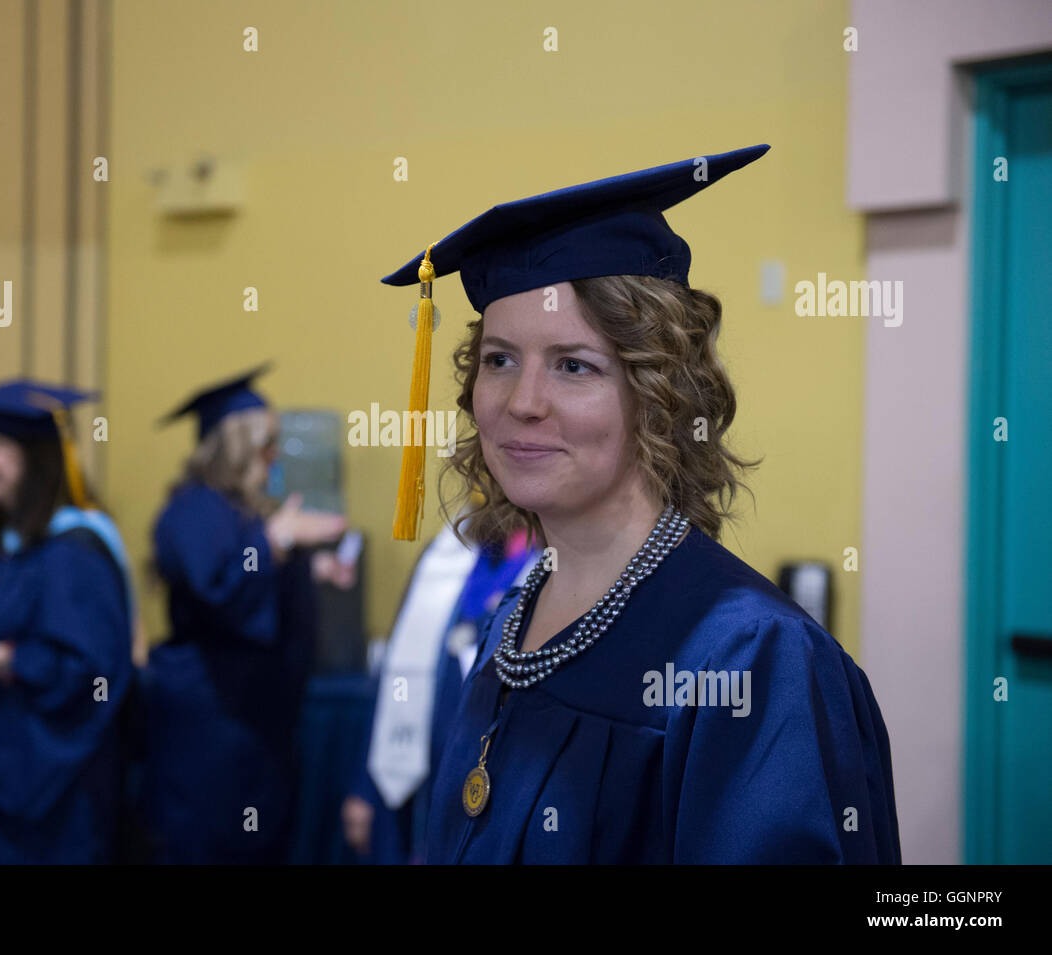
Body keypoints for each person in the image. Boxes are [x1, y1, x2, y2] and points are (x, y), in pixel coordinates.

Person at [379, 144, 902, 864]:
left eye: (574, 365)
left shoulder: (752, 658)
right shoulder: (515, 615)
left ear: (659, 394)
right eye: (499, 359)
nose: (522, 403)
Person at [140, 365, 351, 864]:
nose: (274, 457)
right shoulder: (193, 510)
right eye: (265, 445)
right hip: (211, 730)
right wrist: (278, 540)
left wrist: (307, 567)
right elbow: (218, 588)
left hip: (256, 726)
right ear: (233, 446)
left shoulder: (240, 512)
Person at [0, 380, 133, 864]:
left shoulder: (74, 556)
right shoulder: (7, 550)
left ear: (35, 461)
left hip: (48, 796)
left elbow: (89, 670)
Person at [343, 509, 537, 864]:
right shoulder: (447, 552)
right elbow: (393, 675)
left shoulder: (557, 560)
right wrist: (364, 786)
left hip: (494, 787)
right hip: (409, 781)